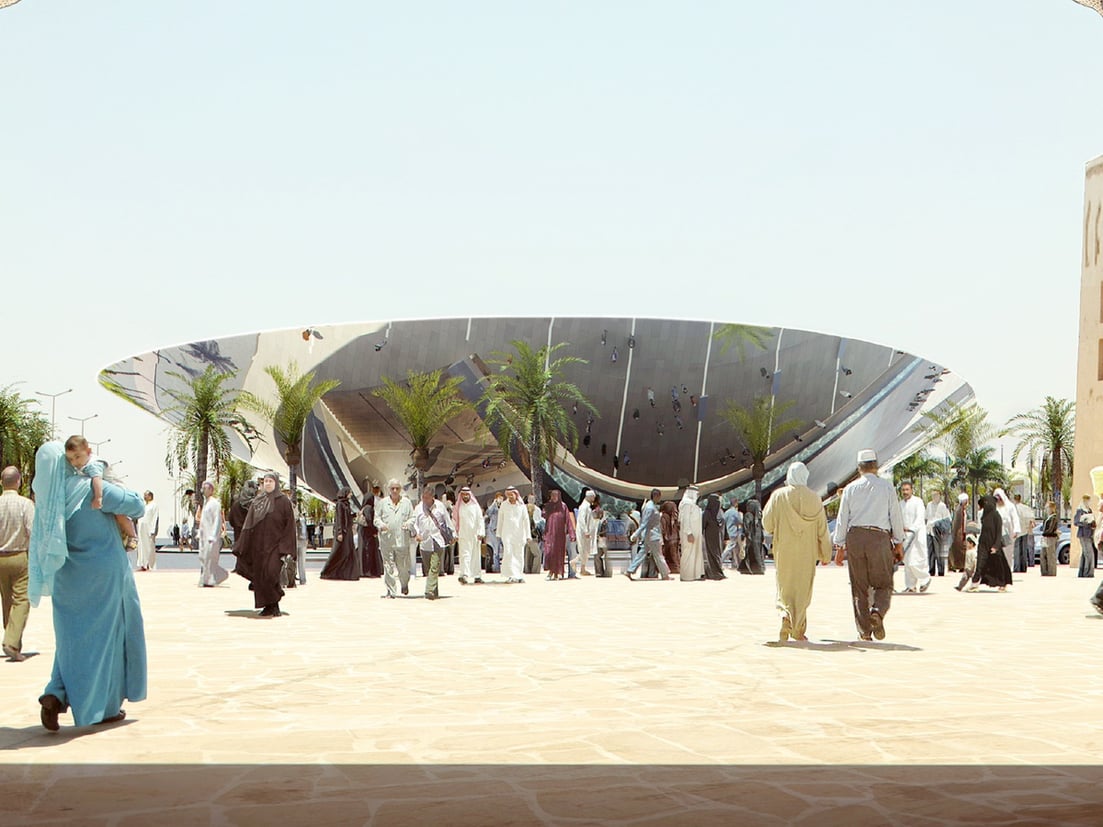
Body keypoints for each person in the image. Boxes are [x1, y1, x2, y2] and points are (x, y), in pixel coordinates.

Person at [28, 441, 147, 729]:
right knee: (105, 644)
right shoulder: (91, 489)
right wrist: (101, 475)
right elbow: (137, 505)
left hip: (67, 578)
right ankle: (101, 708)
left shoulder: (47, 500)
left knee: (72, 643)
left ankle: (56, 693)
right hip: (104, 577)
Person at [832, 449, 905, 641]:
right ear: (876, 466)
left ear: (859, 468)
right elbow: (895, 516)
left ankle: (864, 632)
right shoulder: (887, 487)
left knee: (859, 587)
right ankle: (877, 612)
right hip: (879, 538)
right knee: (884, 582)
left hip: (855, 537)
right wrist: (898, 543)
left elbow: (842, 519)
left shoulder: (850, 489)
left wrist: (839, 547)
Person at [762, 461, 832, 641]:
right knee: (802, 589)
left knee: (784, 587)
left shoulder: (778, 496)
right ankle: (798, 630)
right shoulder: (815, 498)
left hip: (784, 550)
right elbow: (822, 529)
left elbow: (767, 523)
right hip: (807, 553)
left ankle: (785, 615)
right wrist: (826, 553)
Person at [232, 471, 296, 616]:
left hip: (276, 547)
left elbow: (290, 526)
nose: (267, 484)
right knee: (261, 577)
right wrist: (243, 543)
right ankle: (270, 606)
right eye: (265, 481)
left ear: (276, 483)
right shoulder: (257, 502)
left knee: (271, 574)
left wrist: (286, 547)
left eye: (270, 481)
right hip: (259, 547)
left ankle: (274, 603)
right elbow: (248, 525)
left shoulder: (284, 502)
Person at [64, 435, 139, 551]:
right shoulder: (83, 464)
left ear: (88, 452)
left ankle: (132, 536)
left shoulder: (93, 464)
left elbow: (97, 479)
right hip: (106, 491)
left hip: (116, 489)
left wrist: (98, 497)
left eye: (77, 457)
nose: (74, 462)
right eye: (71, 459)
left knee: (120, 515)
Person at [1, 466, 34, 662]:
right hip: (20, 556)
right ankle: (11, 642)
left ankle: (12, 641)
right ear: (19, 481)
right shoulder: (25, 504)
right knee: (22, 599)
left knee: (6, 601)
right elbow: (32, 530)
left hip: (0, 557)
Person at [374, 479, 414, 598]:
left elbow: (413, 517)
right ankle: (391, 591)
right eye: (392, 488)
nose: (395, 491)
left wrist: (408, 523)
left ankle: (404, 583)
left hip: (402, 539)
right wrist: (381, 525)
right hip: (387, 540)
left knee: (403, 567)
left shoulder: (406, 503)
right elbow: (376, 518)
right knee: (388, 565)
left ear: (400, 489)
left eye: (397, 488)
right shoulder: (382, 503)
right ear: (389, 489)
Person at [412, 489, 455, 599]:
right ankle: (434, 591)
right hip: (425, 542)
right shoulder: (418, 508)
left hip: (438, 540)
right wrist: (417, 534)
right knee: (428, 569)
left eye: (427, 498)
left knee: (435, 566)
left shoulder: (440, 506)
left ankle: (429, 590)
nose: (425, 500)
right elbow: (414, 523)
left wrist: (453, 534)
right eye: (423, 497)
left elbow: (447, 520)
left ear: (432, 497)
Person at [965, 494, 1013, 591]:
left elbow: (998, 532)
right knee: (980, 564)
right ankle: (974, 584)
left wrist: (995, 546)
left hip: (994, 545)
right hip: (983, 544)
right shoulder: (984, 516)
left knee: (999, 565)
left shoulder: (996, 516)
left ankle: (1002, 584)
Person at [624, 489, 671, 581]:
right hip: (652, 535)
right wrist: (636, 534)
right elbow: (644, 523)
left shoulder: (651, 506)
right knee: (658, 555)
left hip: (650, 535)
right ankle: (665, 575)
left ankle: (629, 571)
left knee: (642, 553)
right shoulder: (650, 508)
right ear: (656, 496)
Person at [320, 487, 362, 580]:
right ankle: (328, 571)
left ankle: (348, 574)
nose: (351, 495)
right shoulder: (339, 504)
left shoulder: (347, 504)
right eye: (350, 493)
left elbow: (347, 517)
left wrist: (355, 515)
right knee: (339, 552)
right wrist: (339, 532)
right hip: (342, 532)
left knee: (348, 551)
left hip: (348, 531)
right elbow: (339, 519)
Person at [898, 481, 931, 594]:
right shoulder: (900, 504)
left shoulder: (918, 502)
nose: (905, 492)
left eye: (907, 489)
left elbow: (920, 518)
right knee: (907, 562)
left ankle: (925, 580)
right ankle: (910, 586)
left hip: (916, 536)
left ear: (912, 490)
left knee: (916, 560)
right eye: (903, 490)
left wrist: (911, 529)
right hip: (905, 537)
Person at [197, 481, 229, 587]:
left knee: (210, 559)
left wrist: (213, 535)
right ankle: (206, 579)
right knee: (203, 558)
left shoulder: (215, 503)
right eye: (203, 488)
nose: (203, 490)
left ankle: (211, 579)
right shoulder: (206, 503)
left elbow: (217, 521)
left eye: (205, 488)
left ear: (211, 490)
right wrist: (199, 533)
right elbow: (203, 521)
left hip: (211, 537)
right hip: (204, 536)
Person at [497, 486, 531, 583]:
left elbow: (526, 521)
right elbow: (500, 520)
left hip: (519, 534)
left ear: (516, 494)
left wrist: (528, 535)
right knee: (508, 553)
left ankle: (519, 575)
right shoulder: (504, 505)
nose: (510, 496)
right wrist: (498, 533)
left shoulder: (522, 506)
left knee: (519, 554)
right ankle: (511, 575)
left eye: (512, 494)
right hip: (507, 533)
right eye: (508, 495)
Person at [453, 486, 485, 585]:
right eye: (463, 495)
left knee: (475, 556)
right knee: (464, 555)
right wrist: (454, 533)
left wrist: (481, 532)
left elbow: (480, 520)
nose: (465, 496)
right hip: (463, 535)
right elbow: (454, 521)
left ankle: (477, 576)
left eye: (467, 494)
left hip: (475, 535)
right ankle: (464, 575)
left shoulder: (475, 506)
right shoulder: (459, 507)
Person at [541, 490, 576, 580]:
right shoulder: (549, 506)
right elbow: (544, 516)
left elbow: (568, 521)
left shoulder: (563, 506)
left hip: (560, 535)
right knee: (549, 552)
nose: (554, 497)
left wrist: (572, 534)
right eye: (552, 496)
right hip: (549, 534)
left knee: (559, 554)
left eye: (555, 496)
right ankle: (550, 572)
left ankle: (558, 573)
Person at [678, 485, 704, 581]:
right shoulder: (686, 503)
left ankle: (694, 575)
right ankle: (686, 576)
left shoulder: (693, 504)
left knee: (694, 554)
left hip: (695, 534)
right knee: (688, 554)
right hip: (689, 534)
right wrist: (689, 533)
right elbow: (685, 520)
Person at [358, 482, 383, 578]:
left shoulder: (363, 508)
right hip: (368, 534)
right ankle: (369, 571)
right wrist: (374, 531)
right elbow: (369, 521)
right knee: (369, 552)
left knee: (364, 551)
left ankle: (364, 570)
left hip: (363, 533)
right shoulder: (368, 508)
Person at [993, 488, 1020, 572]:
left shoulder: (1010, 506)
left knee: (1007, 553)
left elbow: (1015, 518)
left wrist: (1016, 530)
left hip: (1007, 534)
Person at [700, 494, 727, 580]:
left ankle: (715, 573)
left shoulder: (708, 513)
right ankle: (715, 572)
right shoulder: (718, 512)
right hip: (715, 537)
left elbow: (702, 525)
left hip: (713, 537)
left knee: (713, 554)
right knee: (715, 554)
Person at [924, 490, 950, 577]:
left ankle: (941, 571)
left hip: (938, 530)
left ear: (939, 496)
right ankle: (931, 570)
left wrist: (939, 525)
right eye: (933, 495)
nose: (934, 497)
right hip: (929, 530)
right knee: (930, 551)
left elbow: (947, 519)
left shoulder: (942, 506)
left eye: (936, 495)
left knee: (939, 551)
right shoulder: (929, 505)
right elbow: (926, 517)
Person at [738, 498, 766, 575]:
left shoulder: (748, 515)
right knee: (757, 553)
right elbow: (761, 528)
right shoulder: (758, 516)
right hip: (758, 537)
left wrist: (745, 536)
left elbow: (746, 527)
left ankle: (752, 568)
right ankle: (758, 568)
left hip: (752, 538)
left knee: (750, 553)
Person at [574, 489, 599, 576]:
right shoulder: (584, 507)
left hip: (586, 532)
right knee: (583, 549)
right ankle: (577, 564)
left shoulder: (587, 506)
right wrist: (585, 531)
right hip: (583, 532)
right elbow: (581, 520)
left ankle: (582, 568)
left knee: (586, 550)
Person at [135, 491, 159, 572]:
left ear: (150, 496)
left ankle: (150, 565)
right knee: (141, 546)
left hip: (149, 529)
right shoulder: (144, 505)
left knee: (149, 547)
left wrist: (153, 531)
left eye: (145, 495)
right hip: (141, 529)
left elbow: (155, 518)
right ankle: (143, 564)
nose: (144, 497)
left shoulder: (154, 505)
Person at [1074, 494, 1096, 578]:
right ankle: (1088, 573)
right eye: (1086, 501)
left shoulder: (1089, 510)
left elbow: (1092, 520)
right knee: (1089, 553)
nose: (1087, 502)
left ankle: (1082, 572)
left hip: (1089, 533)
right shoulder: (1080, 510)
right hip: (1083, 534)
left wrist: (1093, 524)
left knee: (1084, 554)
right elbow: (1076, 522)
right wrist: (1084, 522)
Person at [1012, 493, 1035, 573]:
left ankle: (1017, 568)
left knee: (1017, 550)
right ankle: (1023, 567)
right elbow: (1031, 517)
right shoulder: (1026, 508)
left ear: (1014, 499)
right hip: (1025, 531)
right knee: (1024, 550)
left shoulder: (1014, 508)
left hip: (1017, 531)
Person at [948, 492, 970, 572]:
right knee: (960, 550)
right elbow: (957, 524)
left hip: (960, 533)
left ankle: (960, 566)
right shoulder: (959, 510)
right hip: (958, 534)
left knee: (960, 550)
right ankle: (957, 565)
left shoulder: (961, 509)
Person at [484, 490, 503, 573]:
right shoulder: (493, 507)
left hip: (502, 529)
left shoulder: (504, 506)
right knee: (495, 550)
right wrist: (494, 503)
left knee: (502, 550)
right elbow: (488, 513)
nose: (500, 499)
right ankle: (496, 568)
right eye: (499, 498)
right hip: (494, 530)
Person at [1039, 500, 1059, 576]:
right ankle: (1044, 571)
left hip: (1050, 538)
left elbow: (1050, 529)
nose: (1046, 509)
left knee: (1050, 555)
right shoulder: (1047, 518)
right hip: (1045, 537)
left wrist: (1045, 533)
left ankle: (1051, 572)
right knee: (1043, 555)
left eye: (1047, 507)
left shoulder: (1053, 517)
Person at [722, 497, 743, 569]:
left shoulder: (726, 512)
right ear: (736, 503)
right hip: (734, 532)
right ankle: (720, 561)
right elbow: (740, 522)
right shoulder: (735, 512)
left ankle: (737, 564)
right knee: (729, 549)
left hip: (728, 532)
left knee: (736, 549)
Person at [660, 500, 680, 574]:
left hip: (668, 539)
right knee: (675, 554)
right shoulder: (675, 516)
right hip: (675, 538)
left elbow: (663, 528)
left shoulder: (664, 517)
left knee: (670, 555)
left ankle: (672, 568)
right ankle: (677, 568)